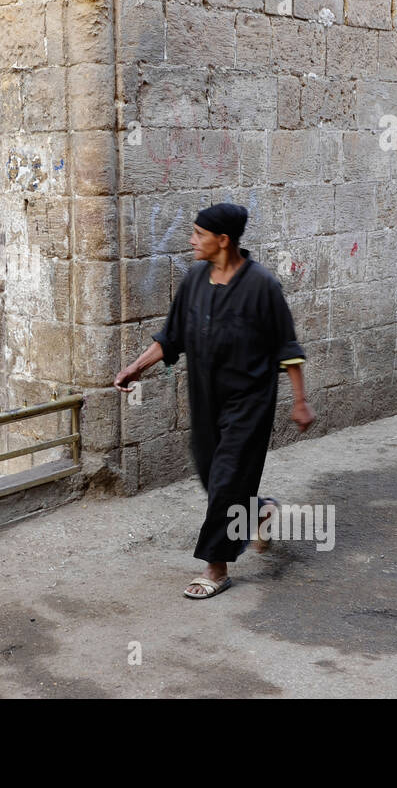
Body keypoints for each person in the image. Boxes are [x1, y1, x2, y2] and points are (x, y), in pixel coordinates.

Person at [114, 203, 315, 599]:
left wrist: (300, 401)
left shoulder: (262, 286)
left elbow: (286, 347)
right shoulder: (194, 280)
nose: (191, 240)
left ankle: (216, 566)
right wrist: (137, 367)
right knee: (211, 472)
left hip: (250, 400)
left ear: (223, 241)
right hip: (206, 398)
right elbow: (171, 336)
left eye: (199, 235)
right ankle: (258, 513)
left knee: (226, 478)